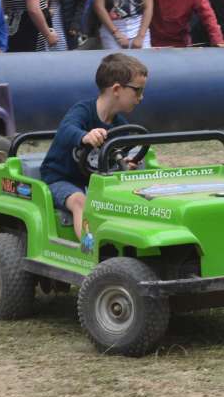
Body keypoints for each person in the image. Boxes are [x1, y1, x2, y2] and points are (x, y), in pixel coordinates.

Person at [39, 53, 148, 253]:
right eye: (138, 91)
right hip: (60, 179)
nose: (141, 98)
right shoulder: (83, 111)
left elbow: (113, 157)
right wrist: (84, 136)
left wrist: (125, 163)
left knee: (128, 197)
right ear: (117, 89)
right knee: (80, 201)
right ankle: (90, 251)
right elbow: (66, 129)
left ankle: (128, 246)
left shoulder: (120, 126)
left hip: (93, 182)